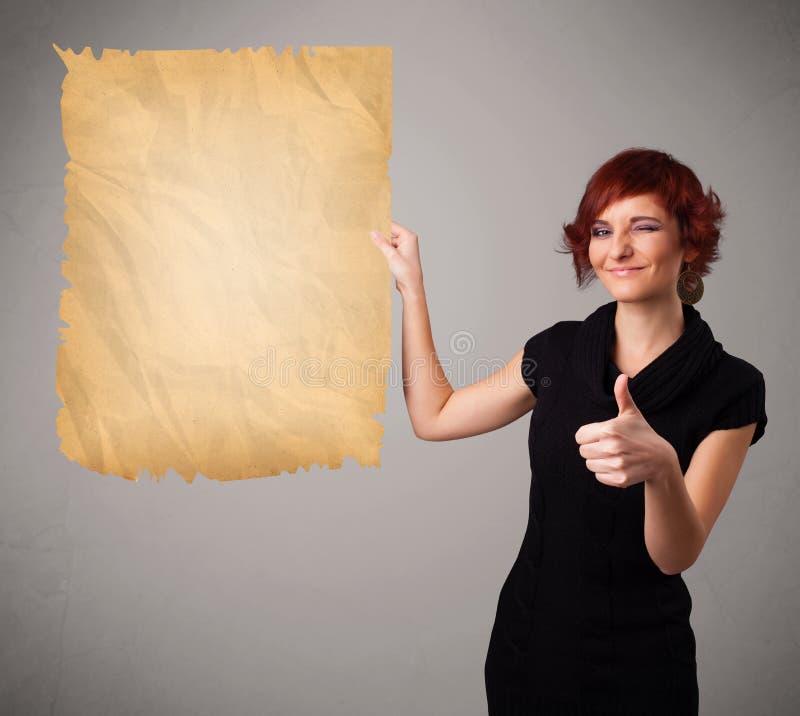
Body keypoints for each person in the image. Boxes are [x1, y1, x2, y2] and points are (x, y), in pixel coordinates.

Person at [368, 147, 767, 715]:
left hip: (643, 667)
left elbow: (674, 556)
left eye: (644, 227)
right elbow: (433, 418)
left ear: (690, 242)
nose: (618, 249)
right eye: (602, 230)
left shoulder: (731, 387)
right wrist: (412, 288)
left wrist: (660, 468)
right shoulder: (555, 350)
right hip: (528, 645)